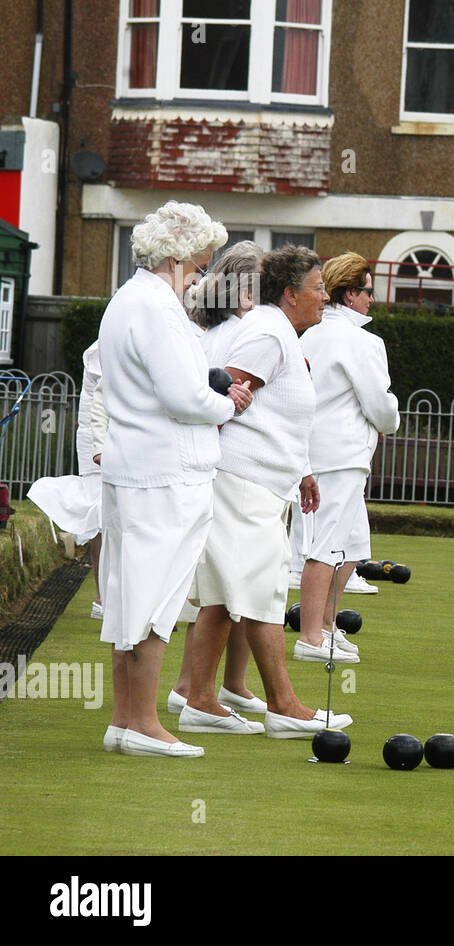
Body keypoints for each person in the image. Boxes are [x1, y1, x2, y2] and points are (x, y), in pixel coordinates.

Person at [96, 201, 253, 758]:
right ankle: (140, 723)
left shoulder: (127, 300)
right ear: (176, 258)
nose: (202, 277)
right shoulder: (156, 308)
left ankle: (125, 720)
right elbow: (183, 396)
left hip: (141, 467)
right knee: (152, 595)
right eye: (200, 266)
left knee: (131, 592)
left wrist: (207, 397)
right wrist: (225, 403)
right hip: (164, 472)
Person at [179, 245, 351, 740]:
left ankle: (201, 703)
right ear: (290, 293)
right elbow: (220, 391)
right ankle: (284, 707)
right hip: (241, 484)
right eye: (319, 289)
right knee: (261, 595)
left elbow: (274, 413)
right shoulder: (270, 334)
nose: (325, 297)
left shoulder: (277, 332)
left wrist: (302, 471)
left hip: (253, 482)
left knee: (220, 597)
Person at [168, 240, 268, 718]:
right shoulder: (237, 335)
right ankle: (191, 689)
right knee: (224, 588)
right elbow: (219, 402)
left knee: (230, 587)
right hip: (225, 468)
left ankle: (215, 686)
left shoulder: (222, 330)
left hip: (222, 466)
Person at [290, 252, 400, 663]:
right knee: (324, 547)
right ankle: (311, 638)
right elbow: (381, 407)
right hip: (339, 456)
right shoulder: (361, 341)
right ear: (351, 293)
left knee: (352, 544)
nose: (372, 299)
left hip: (320, 455)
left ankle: (328, 626)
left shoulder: (308, 334)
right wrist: (392, 414)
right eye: (368, 291)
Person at [27, 341, 109, 616]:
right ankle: (103, 598)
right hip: (97, 440)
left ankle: (119, 597)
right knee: (100, 517)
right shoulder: (101, 349)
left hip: (116, 436)